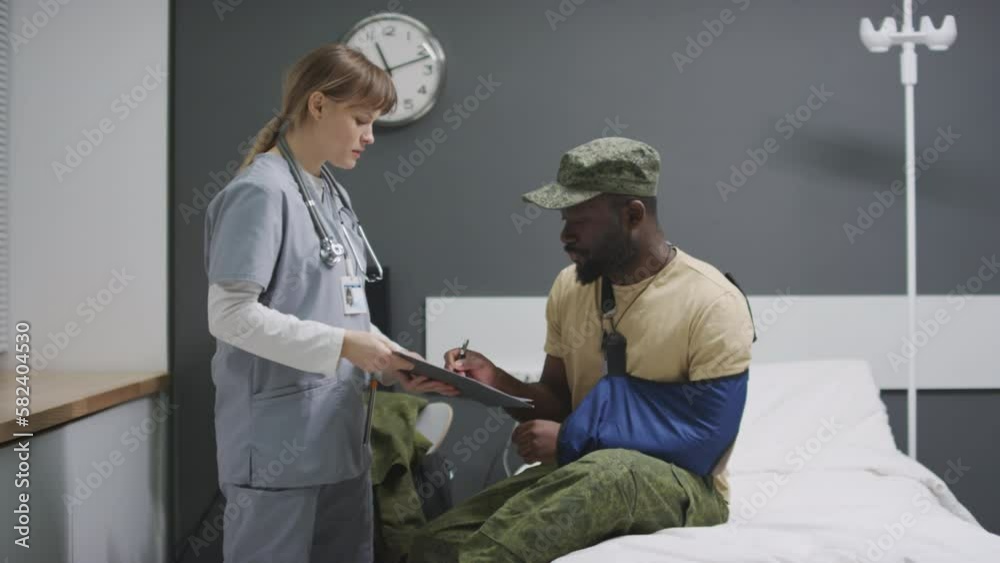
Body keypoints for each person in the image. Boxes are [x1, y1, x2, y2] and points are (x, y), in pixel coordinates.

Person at [408, 137, 755, 562]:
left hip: (688, 487)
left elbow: (705, 443)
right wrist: (495, 379)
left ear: (632, 215)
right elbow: (558, 403)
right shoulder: (570, 287)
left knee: (610, 470)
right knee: (436, 543)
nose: (565, 236)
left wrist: (573, 440)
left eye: (581, 220)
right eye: (563, 218)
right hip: (585, 470)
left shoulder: (712, 301)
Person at [203, 43, 454, 563]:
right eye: (361, 119)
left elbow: (339, 313)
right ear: (318, 105)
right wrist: (345, 345)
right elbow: (228, 315)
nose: (370, 136)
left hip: (339, 444)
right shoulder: (260, 192)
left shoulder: (331, 195)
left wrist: (393, 364)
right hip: (277, 451)